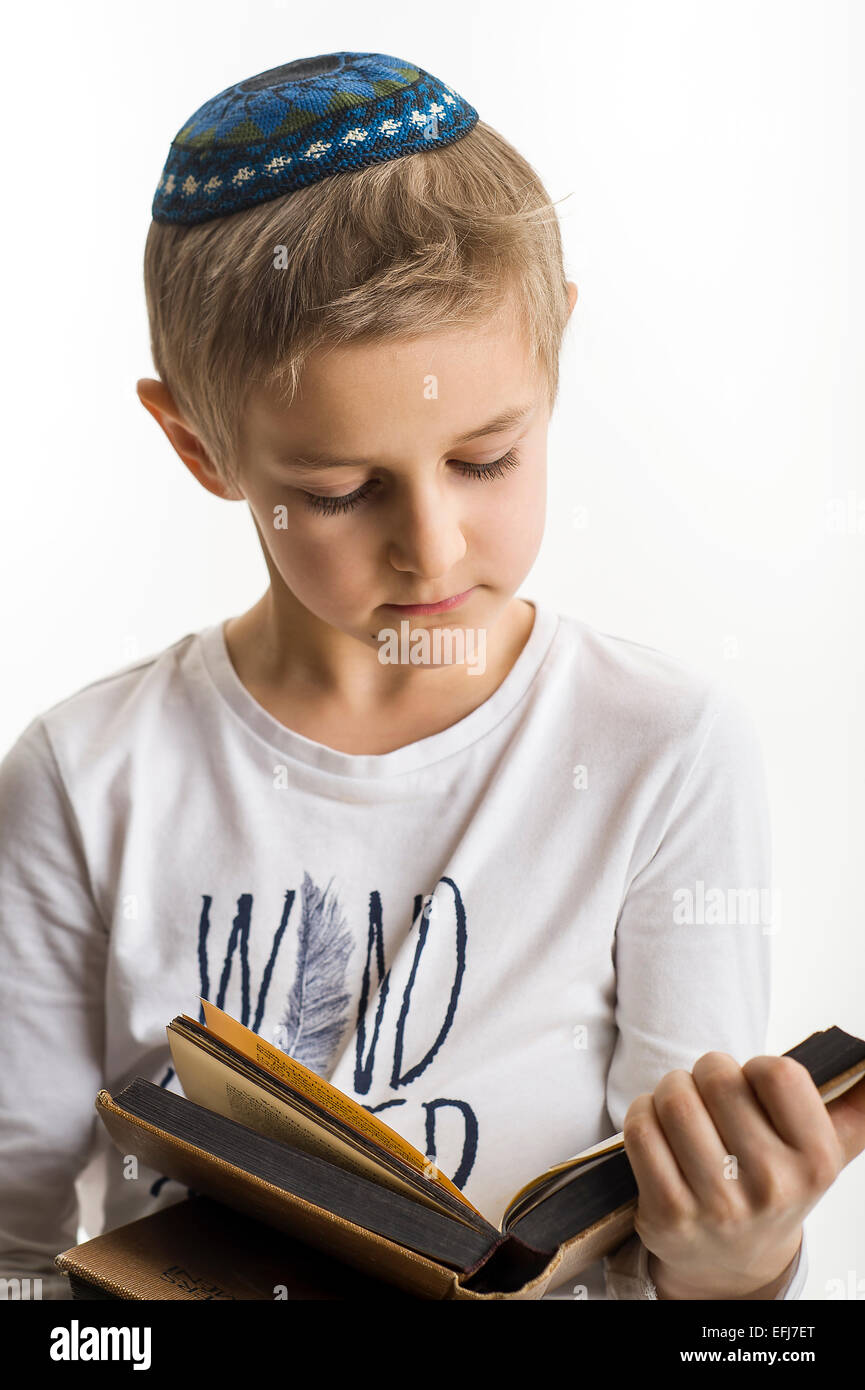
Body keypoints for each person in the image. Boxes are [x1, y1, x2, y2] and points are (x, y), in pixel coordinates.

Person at [1, 51, 862, 1303]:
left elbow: (685, 1278)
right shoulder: (84, 779)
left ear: (556, 345)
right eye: (340, 492)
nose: (435, 547)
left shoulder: (665, 747)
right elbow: (17, 1250)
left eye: (489, 457)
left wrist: (740, 1264)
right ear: (199, 442)